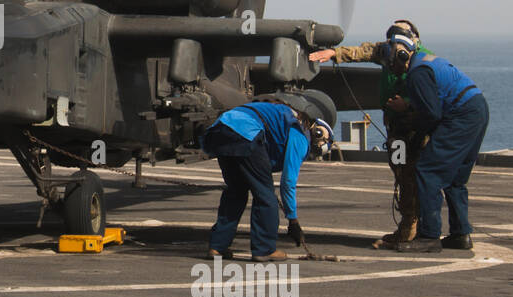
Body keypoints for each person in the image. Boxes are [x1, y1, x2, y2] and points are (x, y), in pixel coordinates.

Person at [310, 18, 428, 249]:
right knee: (400, 174)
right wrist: (334, 54)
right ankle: (408, 225)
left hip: (416, 127)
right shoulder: (387, 52)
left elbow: (431, 91)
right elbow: (362, 51)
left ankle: (417, 228)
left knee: (417, 176)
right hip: (396, 129)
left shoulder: (422, 61)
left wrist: (407, 103)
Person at [383, 34, 489, 252]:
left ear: (402, 56)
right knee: (455, 177)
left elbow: (431, 115)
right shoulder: (425, 60)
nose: (391, 69)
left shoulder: (416, 74)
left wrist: (415, 135)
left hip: (461, 115)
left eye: (391, 63)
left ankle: (429, 237)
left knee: (427, 171)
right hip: (477, 108)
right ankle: (460, 234)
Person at [202, 98, 333, 261]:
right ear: (318, 136)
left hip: (221, 130)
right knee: (265, 196)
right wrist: (293, 220)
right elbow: (288, 182)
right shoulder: (302, 134)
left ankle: (217, 247)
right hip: (246, 132)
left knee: (236, 192)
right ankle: (264, 248)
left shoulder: (288, 117)